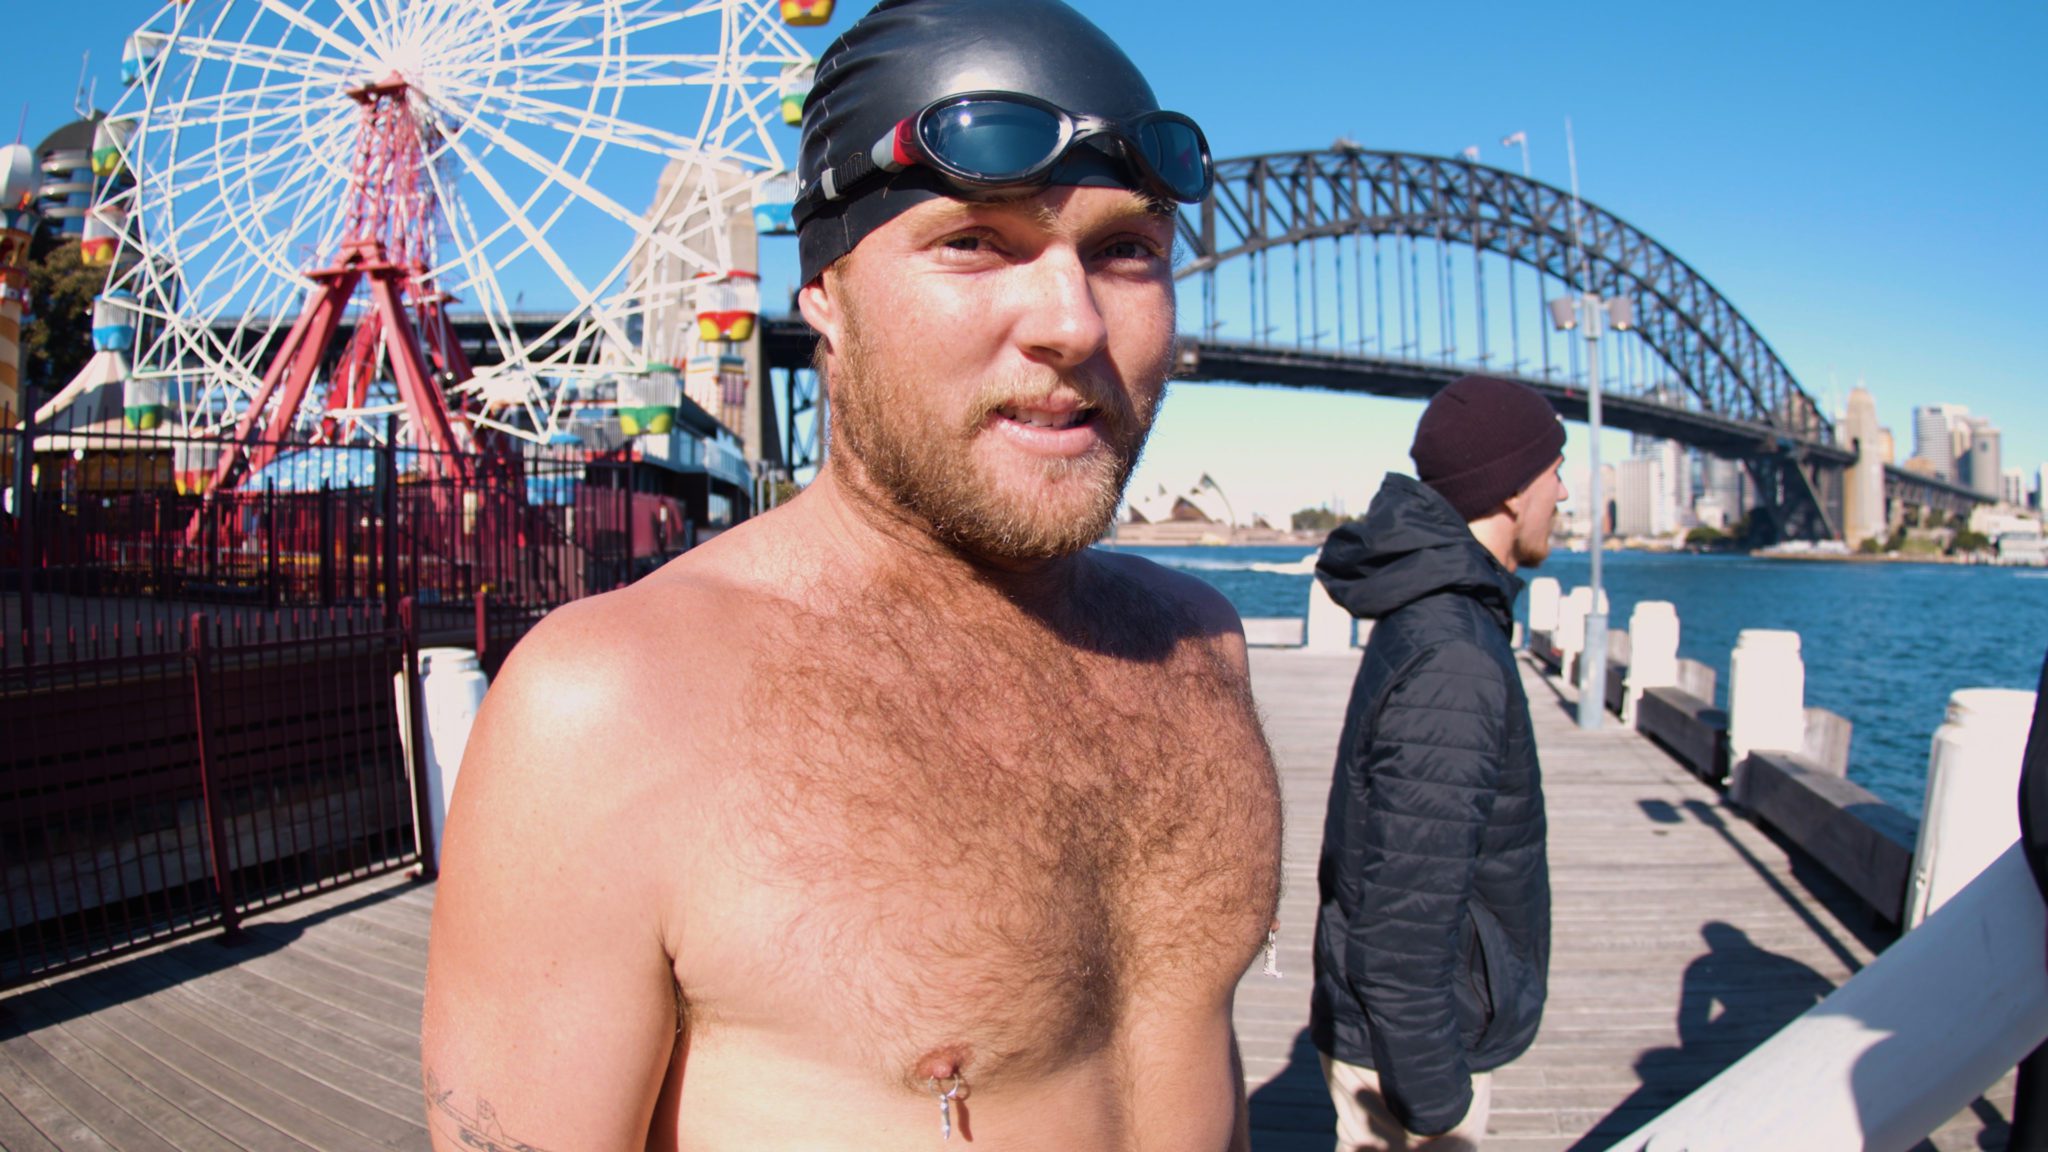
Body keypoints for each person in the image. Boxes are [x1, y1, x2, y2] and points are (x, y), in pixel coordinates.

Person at [419, 2, 1285, 1150]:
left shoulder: (1197, 647)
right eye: (973, 242)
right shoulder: (613, 706)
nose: (1072, 324)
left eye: (1126, 249)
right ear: (822, 296)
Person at [1308, 375, 1567, 1151]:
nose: (1563, 493)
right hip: (1413, 1051)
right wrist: (1434, 1097)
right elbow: (1404, 916)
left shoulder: (1440, 611)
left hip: (1407, 1031)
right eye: (1556, 471)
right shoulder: (1455, 656)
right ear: (1513, 490)